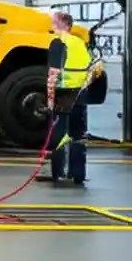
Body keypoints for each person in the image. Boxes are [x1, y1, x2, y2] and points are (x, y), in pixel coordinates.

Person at [42, 11, 102, 187]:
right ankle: (78, 174)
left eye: (53, 22)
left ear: (60, 25)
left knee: (59, 134)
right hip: (80, 93)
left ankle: (58, 173)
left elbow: (53, 73)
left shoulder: (58, 42)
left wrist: (50, 100)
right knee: (78, 134)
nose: (51, 25)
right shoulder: (79, 43)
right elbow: (91, 68)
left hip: (63, 93)